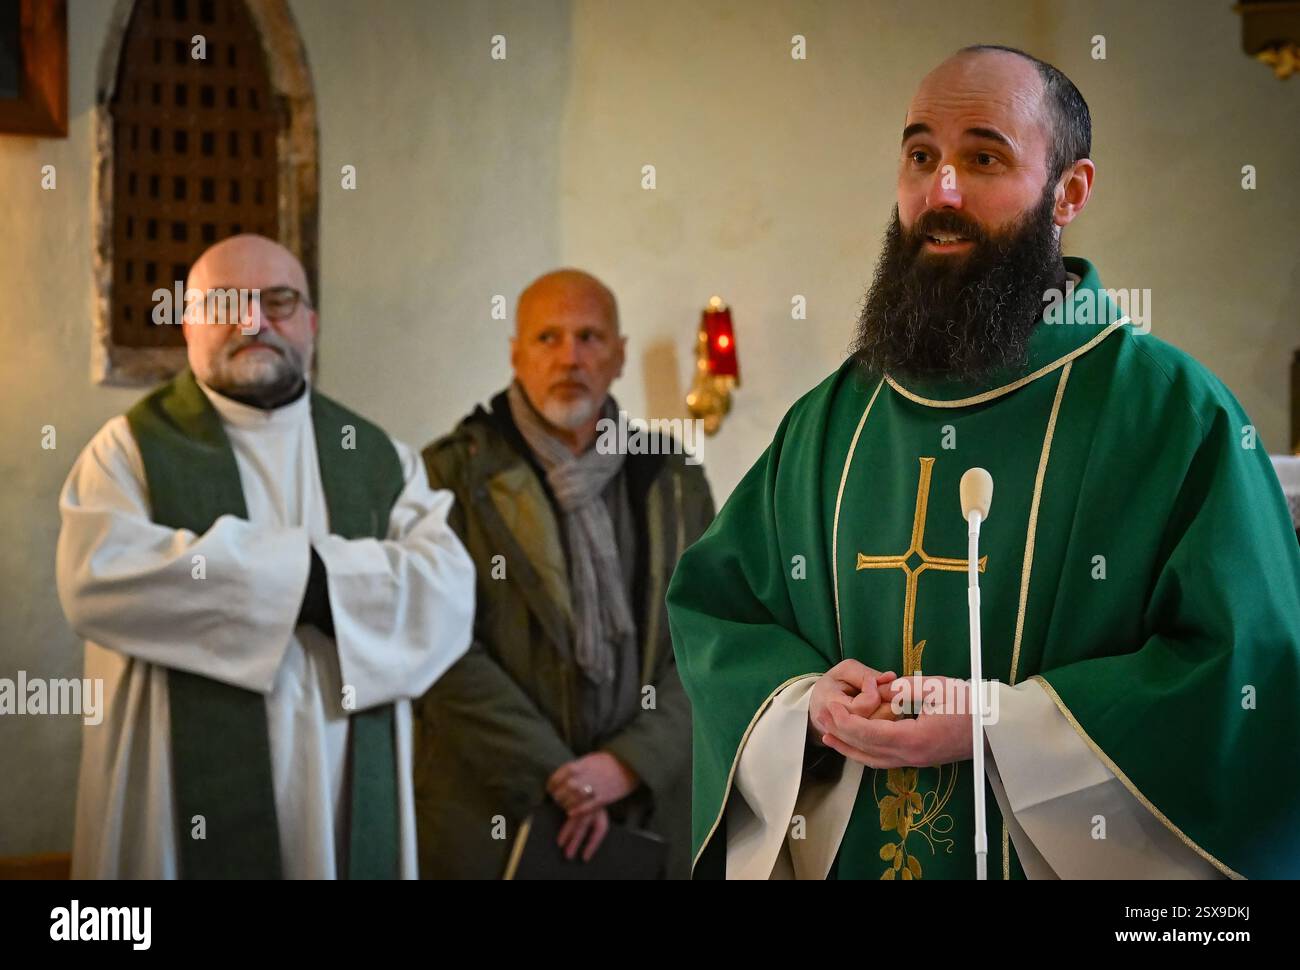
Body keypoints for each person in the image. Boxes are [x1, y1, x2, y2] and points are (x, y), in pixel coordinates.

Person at [667, 46, 1300, 880]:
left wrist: (1000, 724)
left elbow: (1246, 675)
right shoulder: (830, 422)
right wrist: (802, 704)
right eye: (921, 155)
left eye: (984, 157)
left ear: (1069, 191)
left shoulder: (1174, 418)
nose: (942, 193)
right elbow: (721, 615)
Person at [57, 234, 475, 878]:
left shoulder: (378, 459)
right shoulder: (128, 451)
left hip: (338, 780)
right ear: (188, 323)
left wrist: (305, 584)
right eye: (225, 303)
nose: (253, 321)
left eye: (278, 301)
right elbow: (97, 576)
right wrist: (317, 582)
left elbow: (447, 592)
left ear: (310, 322)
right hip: (175, 802)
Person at [415, 269, 714, 878]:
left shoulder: (674, 481)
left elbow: (710, 637)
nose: (569, 357)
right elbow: (434, 645)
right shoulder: (449, 477)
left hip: (646, 811)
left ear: (620, 356)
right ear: (516, 354)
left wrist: (627, 764)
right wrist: (557, 774)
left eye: (590, 337)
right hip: (493, 811)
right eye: (548, 338)